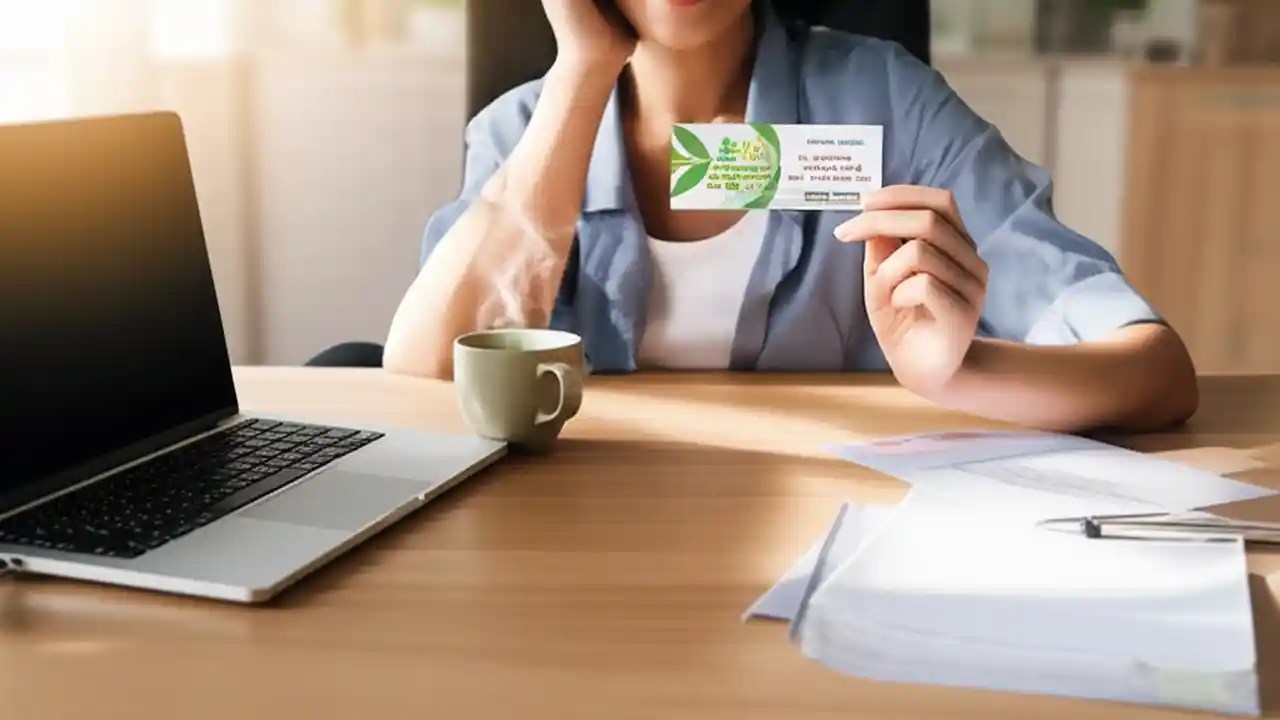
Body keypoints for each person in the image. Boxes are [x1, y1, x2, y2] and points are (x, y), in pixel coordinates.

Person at [384, 0, 1198, 433]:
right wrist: (582, 68)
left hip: (831, 528)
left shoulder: (887, 101)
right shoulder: (520, 131)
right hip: (574, 550)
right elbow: (421, 382)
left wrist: (958, 370)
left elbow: (1156, 372)